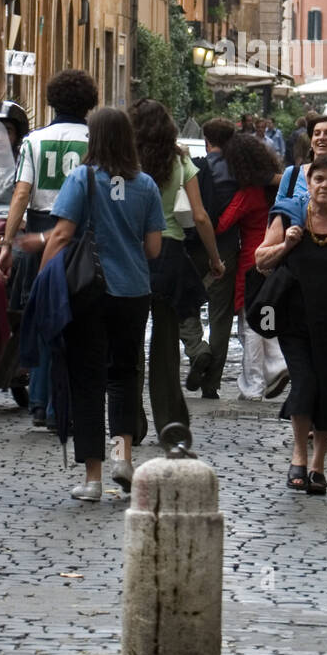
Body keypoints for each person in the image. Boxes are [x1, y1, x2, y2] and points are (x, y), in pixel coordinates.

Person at [38, 109, 164, 499]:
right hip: (133, 292)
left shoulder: (83, 178)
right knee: (124, 375)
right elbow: (154, 248)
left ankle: (93, 480)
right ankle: (122, 457)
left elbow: (61, 234)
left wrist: (44, 281)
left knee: (87, 380)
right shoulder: (146, 185)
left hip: (89, 293)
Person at [255, 156, 327, 495]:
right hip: (295, 322)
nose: (324, 185)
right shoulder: (290, 217)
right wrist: (287, 244)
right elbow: (260, 259)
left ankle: (318, 464)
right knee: (305, 383)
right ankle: (299, 455)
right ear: (308, 185)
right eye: (318, 179)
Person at [0, 69, 98, 428]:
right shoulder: (95, 141)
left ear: (52, 101)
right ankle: (60, 404)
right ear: (89, 103)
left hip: (40, 232)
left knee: (40, 312)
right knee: (76, 319)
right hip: (82, 236)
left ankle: (38, 400)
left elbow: (21, 193)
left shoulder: (34, 141)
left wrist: (7, 244)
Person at [130, 99, 225, 438]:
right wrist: (215, 258)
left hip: (133, 254)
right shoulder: (180, 160)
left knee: (130, 342)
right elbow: (199, 216)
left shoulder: (126, 161)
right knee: (166, 345)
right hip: (170, 254)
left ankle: (131, 423)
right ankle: (170, 421)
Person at [215, 132, 289, 401]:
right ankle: (275, 365)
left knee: (250, 323)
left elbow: (223, 223)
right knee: (267, 315)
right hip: (279, 257)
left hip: (252, 259)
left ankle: (255, 383)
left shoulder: (249, 194)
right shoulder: (279, 189)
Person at [178, 117, 239, 398]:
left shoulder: (195, 167)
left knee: (184, 303)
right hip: (226, 246)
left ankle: (197, 349)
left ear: (206, 141)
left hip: (193, 245)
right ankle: (211, 382)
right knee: (221, 315)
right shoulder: (241, 171)